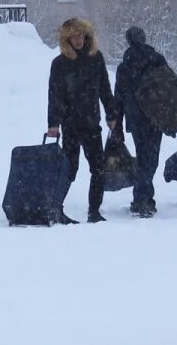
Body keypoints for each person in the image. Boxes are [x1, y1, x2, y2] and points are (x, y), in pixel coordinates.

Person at [45, 17, 122, 225]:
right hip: (70, 124)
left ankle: (94, 211)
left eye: (82, 35)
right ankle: (56, 208)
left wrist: (112, 114)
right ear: (67, 39)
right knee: (69, 169)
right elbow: (55, 95)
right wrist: (53, 123)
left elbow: (105, 89)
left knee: (98, 169)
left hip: (91, 124)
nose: (79, 40)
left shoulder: (96, 59)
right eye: (74, 36)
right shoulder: (59, 64)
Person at [112, 25, 171, 219]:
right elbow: (171, 86)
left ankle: (141, 198)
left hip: (136, 118)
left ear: (128, 41)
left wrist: (117, 125)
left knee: (142, 156)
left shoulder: (124, 67)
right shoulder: (157, 59)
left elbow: (118, 99)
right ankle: (144, 198)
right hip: (157, 116)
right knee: (151, 158)